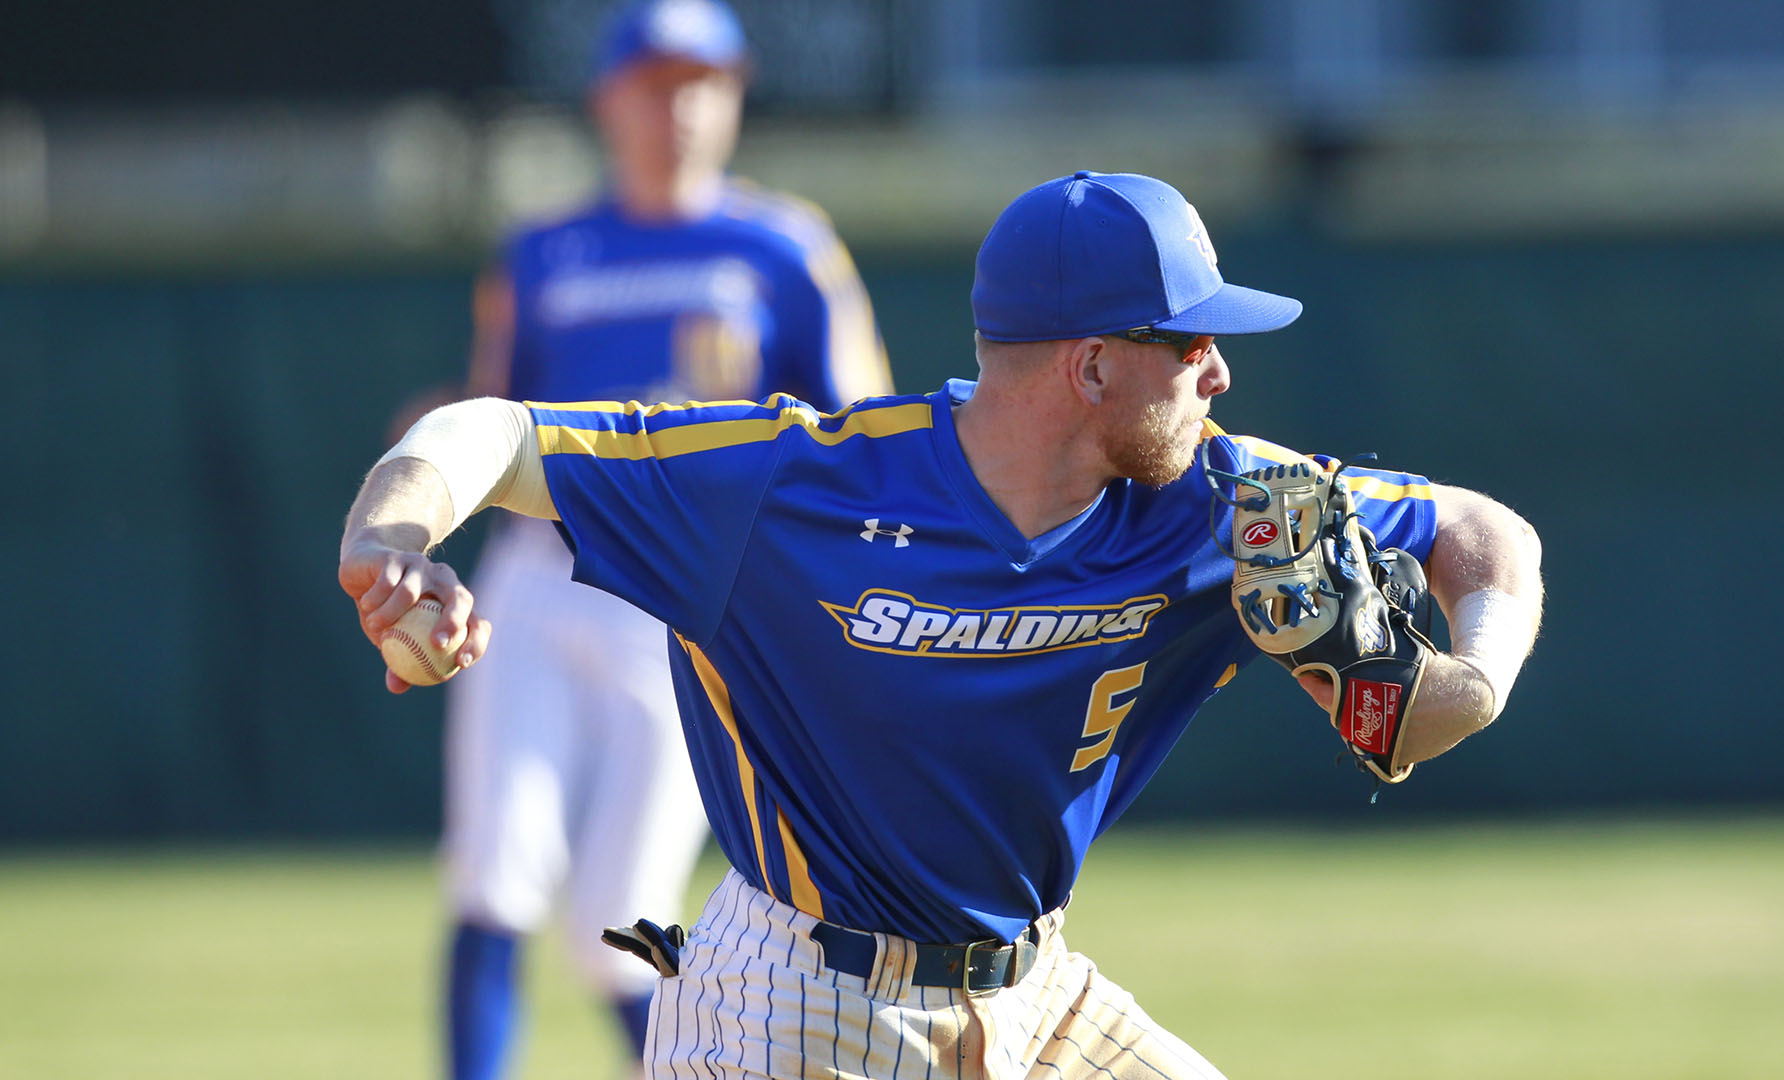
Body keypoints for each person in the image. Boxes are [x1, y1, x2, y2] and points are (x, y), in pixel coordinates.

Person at [340, 170, 1543, 1079]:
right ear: (1090, 367)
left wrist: (1474, 678)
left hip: (1034, 994)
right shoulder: (794, 484)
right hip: (790, 1006)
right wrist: (388, 545)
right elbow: (495, 432)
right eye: (1188, 340)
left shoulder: (1217, 502)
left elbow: (1487, 535)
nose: (1219, 370)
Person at [419, 2, 893, 1077]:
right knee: (493, 869)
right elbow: (495, 413)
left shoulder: (783, 245)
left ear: (732, 96)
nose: (679, 107)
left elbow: (860, 429)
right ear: (607, 101)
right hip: (540, 579)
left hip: (684, 599)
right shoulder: (544, 250)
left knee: (618, 920)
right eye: (657, 83)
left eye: (703, 83)